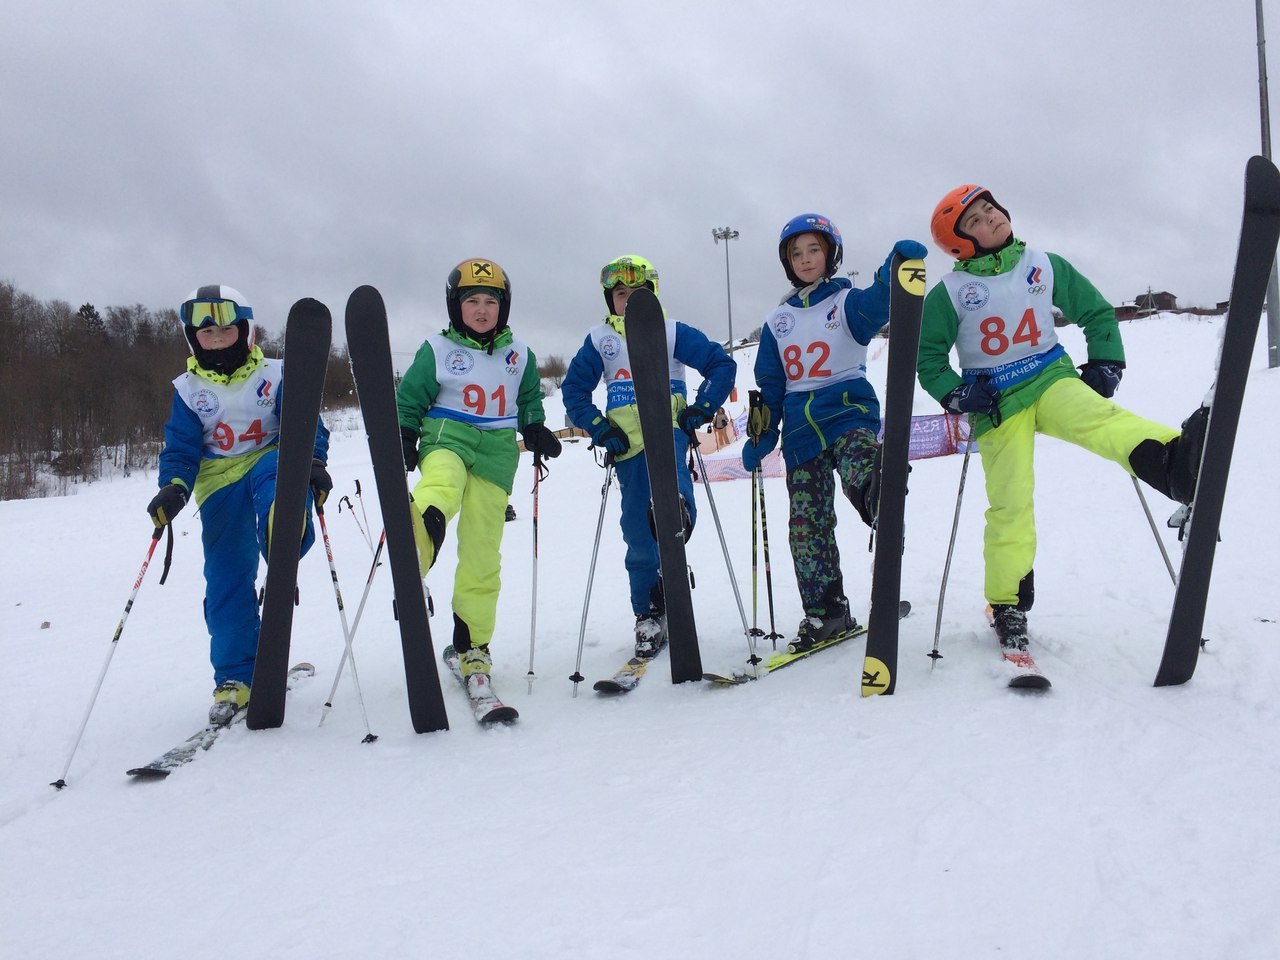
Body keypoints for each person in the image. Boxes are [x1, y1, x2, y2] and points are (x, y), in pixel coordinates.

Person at [917, 184, 1204, 649]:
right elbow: (928, 358)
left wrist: (1106, 361)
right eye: (973, 221)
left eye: (989, 209)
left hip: (1050, 376)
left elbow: (1094, 311)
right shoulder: (949, 292)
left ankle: (1176, 462)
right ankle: (1007, 603)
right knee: (1011, 501)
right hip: (996, 403)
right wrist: (957, 394)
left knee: (1100, 418)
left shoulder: (1043, 265)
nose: (988, 218)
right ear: (960, 243)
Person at [147, 285, 332, 724]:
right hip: (217, 480)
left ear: (245, 331)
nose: (216, 339)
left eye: (226, 330)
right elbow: (181, 448)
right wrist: (174, 486)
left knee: (276, 476)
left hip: (273, 460)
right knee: (225, 577)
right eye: (206, 333)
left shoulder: (276, 373)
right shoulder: (188, 389)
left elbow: (307, 423)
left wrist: (314, 463)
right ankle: (235, 677)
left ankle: (283, 531)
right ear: (194, 339)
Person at [741, 215, 927, 650]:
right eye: (796, 253)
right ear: (787, 262)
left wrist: (893, 271)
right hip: (801, 430)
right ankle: (827, 613)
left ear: (831, 255)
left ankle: (878, 493)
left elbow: (879, 303)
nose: (805, 259)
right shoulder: (777, 321)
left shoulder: (846, 301)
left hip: (845, 410)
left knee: (860, 457)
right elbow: (771, 382)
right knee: (807, 526)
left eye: (814, 250)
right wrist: (765, 435)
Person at [397, 258, 561, 687]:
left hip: (497, 453)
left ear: (503, 308)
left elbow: (529, 400)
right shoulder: (437, 349)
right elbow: (410, 398)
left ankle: (473, 647)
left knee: (483, 552)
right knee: (442, 486)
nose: (483, 309)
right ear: (457, 306)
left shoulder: (519, 354)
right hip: (447, 436)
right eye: (473, 301)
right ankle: (415, 549)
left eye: (491, 301)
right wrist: (403, 434)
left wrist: (535, 427)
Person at [561, 255, 736, 657]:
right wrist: (599, 427)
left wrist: (702, 407)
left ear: (653, 296)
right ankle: (649, 611)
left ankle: (677, 519)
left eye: (638, 294)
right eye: (621, 294)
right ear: (611, 300)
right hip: (627, 444)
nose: (629, 301)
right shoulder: (600, 340)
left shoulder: (672, 332)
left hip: (666, 428)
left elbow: (721, 365)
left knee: (672, 488)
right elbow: (573, 393)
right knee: (637, 532)